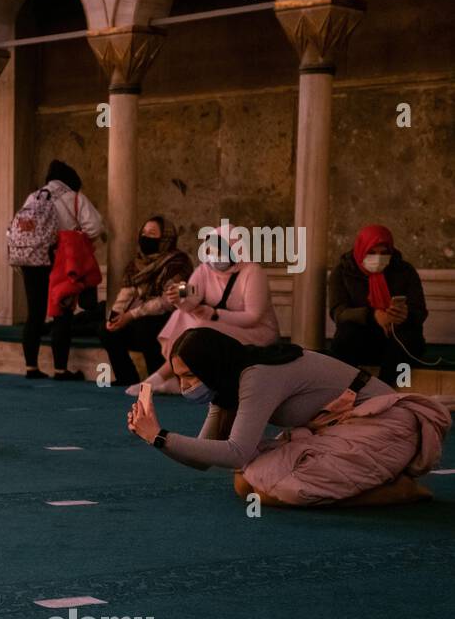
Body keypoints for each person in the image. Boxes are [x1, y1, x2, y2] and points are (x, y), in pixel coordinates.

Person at [127, 328, 451, 507]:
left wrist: (159, 435)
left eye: (189, 376)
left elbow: (235, 451)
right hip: (344, 430)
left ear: (211, 366)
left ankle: (396, 493)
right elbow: (203, 455)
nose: (185, 386)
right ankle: (378, 483)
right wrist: (157, 438)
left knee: (261, 483)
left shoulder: (256, 376)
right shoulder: (227, 383)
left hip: (387, 429)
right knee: (249, 479)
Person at [138, 228, 280, 395]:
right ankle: (180, 377)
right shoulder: (205, 270)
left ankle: (160, 377)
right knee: (180, 315)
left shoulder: (252, 272)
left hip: (256, 331)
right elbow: (191, 297)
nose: (214, 256)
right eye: (210, 251)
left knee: (203, 329)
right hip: (218, 323)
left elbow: (253, 317)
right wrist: (178, 298)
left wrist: (215, 314)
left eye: (219, 251)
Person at [17, 159, 105, 380]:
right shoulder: (74, 197)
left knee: (35, 314)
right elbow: (94, 226)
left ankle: (31, 367)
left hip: (32, 260)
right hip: (62, 261)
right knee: (62, 313)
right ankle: (60, 369)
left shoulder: (33, 197)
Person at [328, 224, 427, 387]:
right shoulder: (343, 271)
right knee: (346, 334)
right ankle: (345, 391)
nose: (378, 258)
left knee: (408, 337)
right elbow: (339, 312)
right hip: (363, 338)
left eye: (384, 253)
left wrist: (404, 315)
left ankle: (382, 390)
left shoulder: (404, 270)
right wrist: (373, 316)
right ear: (361, 250)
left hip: (396, 337)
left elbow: (420, 311)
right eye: (372, 252)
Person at [99, 217, 192, 386]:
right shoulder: (137, 263)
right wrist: (115, 315)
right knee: (107, 330)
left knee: (145, 327)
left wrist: (131, 315)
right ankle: (127, 377)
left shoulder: (178, 262)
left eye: (152, 234)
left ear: (165, 238)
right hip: (139, 314)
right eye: (144, 233)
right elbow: (127, 291)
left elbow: (168, 301)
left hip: (169, 316)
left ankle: (157, 379)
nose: (146, 237)